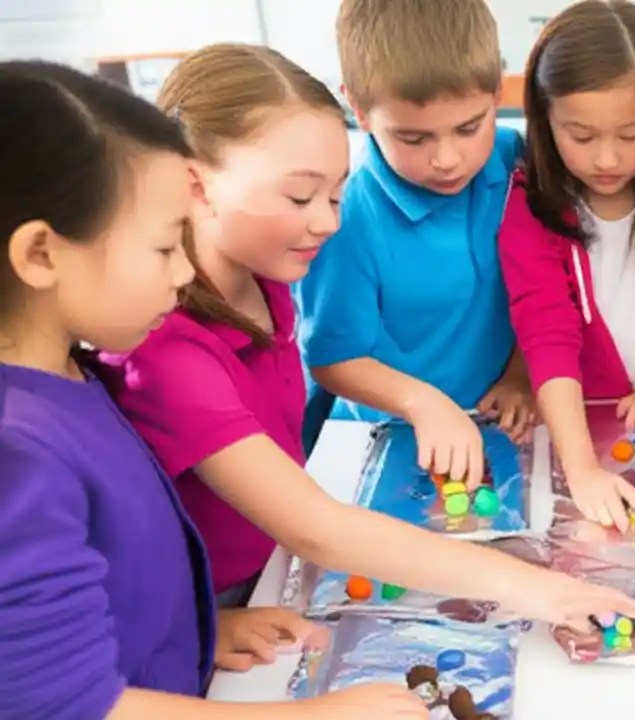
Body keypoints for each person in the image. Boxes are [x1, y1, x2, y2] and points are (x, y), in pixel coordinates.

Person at [101, 45, 635, 631]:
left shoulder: (264, 276)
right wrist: (532, 587)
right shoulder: (168, 351)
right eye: (301, 198)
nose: (331, 221)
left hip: (254, 583)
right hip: (213, 594)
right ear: (196, 185)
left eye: (336, 193)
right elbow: (315, 527)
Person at [0, 60, 427, 720]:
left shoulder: (68, 375)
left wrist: (195, 630)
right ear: (40, 255)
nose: (183, 275)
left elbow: (109, 587)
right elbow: (70, 707)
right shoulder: (18, 453)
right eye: (167, 246)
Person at [295, 0, 534, 487]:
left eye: (469, 127)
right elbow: (333, 358)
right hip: (387, 435)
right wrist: (422, 402)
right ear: (358, 110)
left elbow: (546, 285)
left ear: (496, 92)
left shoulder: (517, 160)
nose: (447, 159)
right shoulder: (347, 215)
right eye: (413, 138)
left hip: (499, 425)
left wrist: (520, 374)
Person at [499, 0, 635, 532]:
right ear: (544, 119)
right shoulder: (528, 206)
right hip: (575, 418)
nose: (607, 159)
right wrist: (582, 470)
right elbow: (546, 331)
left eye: (631, 135)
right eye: (581, 137)